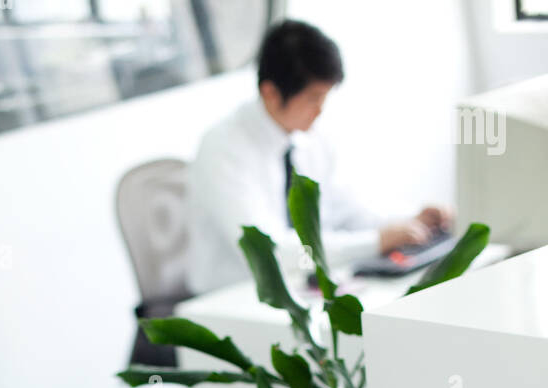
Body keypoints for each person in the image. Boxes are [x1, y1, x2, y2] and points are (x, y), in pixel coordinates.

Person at [186, 18, 453, 296]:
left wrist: (413, 220)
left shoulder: (309, 139)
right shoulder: (223, 149)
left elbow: (346, 210)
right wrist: (375, 242)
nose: (321, 110)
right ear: (271, 93)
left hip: (303, 285)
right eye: (313, 97)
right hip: (234, 299)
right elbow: (271, 254)